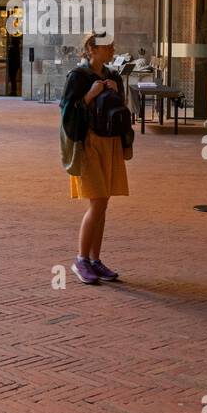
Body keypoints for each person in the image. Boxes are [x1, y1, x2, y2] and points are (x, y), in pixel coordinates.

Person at [59, 32, 134, 285]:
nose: (112, 50)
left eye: (113, 46)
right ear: (92, 48)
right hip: (89, 144)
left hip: (110, 143)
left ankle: (95, 260)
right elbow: (67, 111)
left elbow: (121, 110)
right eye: (107, 46)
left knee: (103, 204)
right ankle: (81, 260)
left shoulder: (113, 76)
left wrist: (115, 91)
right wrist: (89, 95)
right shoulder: (78, 77)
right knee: (97, 202)